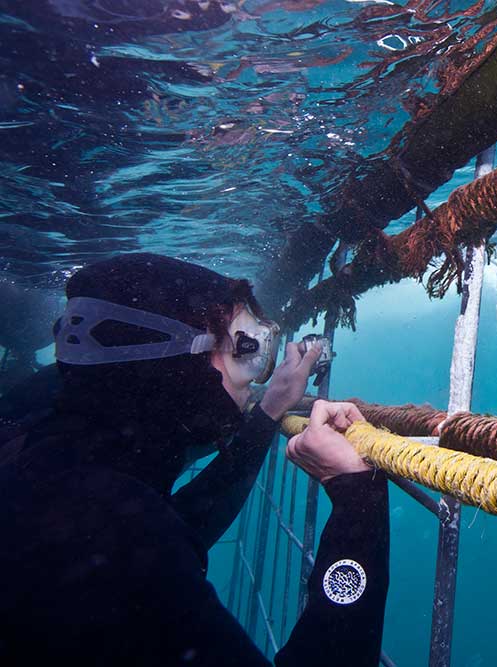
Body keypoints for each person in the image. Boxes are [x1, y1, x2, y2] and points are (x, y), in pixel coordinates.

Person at [0, 253, 389, 666]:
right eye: (245, 348)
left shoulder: (46, 458)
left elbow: (178, 526)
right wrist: (358, 501)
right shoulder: (113, 540)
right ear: (174, 364)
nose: (256, 375)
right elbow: (143, 547)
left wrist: (270, 410)